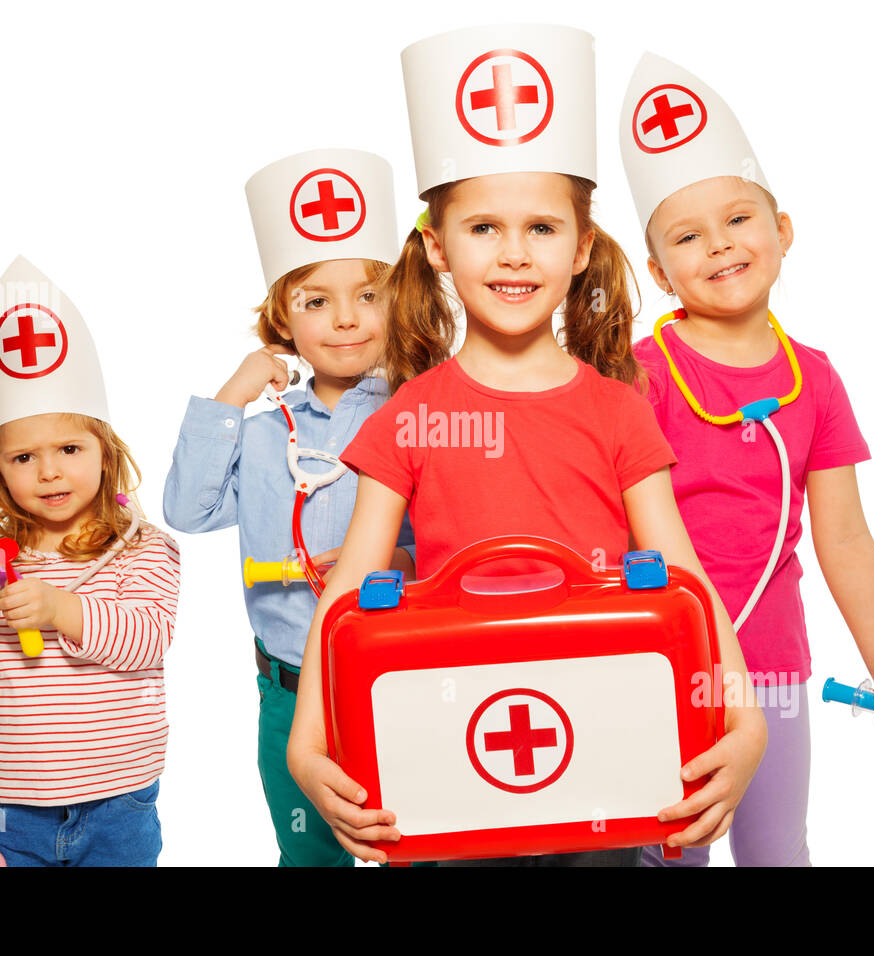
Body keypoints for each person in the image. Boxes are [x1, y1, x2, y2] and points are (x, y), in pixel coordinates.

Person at [287, 24, 768, 866]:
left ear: (582, 248)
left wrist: (746, 716)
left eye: (542, 228)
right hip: (448, 745)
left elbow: (683, 574)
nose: (514, 254)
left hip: (608, 743)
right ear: (438, 248)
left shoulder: (618, 411)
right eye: (483, 229)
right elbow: (352, 584)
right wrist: (307, 739)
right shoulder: (409, 417)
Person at [618, 53, 874, 868]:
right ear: (660, 273)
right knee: (668, 854)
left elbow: (844, 539)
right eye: (687, 237)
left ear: (783, 231)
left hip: (771, 668)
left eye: (739, 220)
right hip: (659, 668)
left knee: (776, 853)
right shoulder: (640, 373)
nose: (720, 246)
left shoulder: (816, 379)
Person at [163, 149, 415, 866]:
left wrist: (393, 560)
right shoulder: (264, 427)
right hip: (287, 690)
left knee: (423, 845)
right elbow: (188, 508)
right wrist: (230, 397)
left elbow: (453, 537)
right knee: (309, 857)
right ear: (282, 317)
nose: (345, 319)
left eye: (369, 295)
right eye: (315, 301)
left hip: (401, 678)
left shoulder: (419, 413)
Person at [0, 256, 180, 867]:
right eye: (23, 458)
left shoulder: (142, 547)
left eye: (69, 447)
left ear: (104, 450)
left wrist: (61, 608)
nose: (49, 471)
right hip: (9, 806)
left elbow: (148, 639)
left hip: (117, 804)